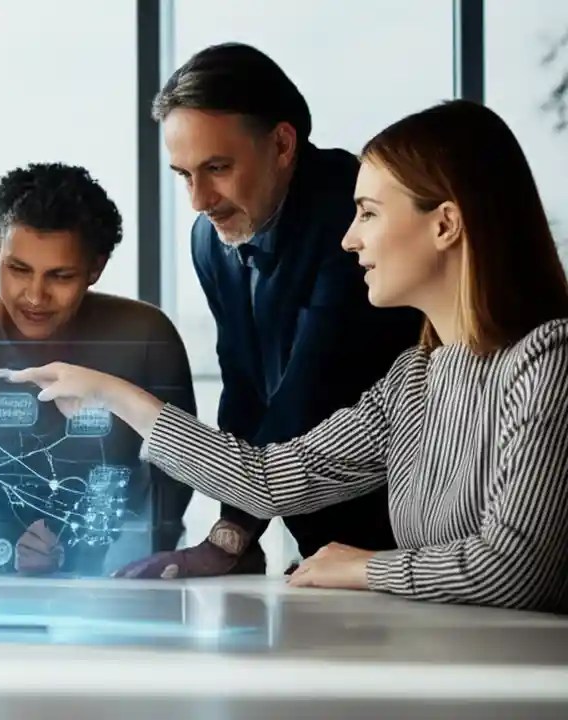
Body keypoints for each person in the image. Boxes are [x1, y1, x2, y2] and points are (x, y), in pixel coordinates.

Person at [2, 99, 568, 614]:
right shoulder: (415, 379)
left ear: (445, 224)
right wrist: (113, 394)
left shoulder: (549, 359)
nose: (349, 240)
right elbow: (270, 478)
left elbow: (516, 567)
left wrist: (363, 567)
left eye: (368, 213)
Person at [119, 43, 420, 579]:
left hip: (406, 539)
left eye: (217, 168)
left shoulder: (352, 218)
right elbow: (244, 386)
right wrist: (236, 538)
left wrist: (228, 537)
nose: (199, 200)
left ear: (283, 144)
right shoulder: (209, 242)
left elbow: (306, 392)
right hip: (318, 545)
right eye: (184, 174)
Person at [0, 163, 196, 576]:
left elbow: (180, 468)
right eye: (18, 269)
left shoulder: (147, 335)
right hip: (6, 571)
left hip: (131, 571)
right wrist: (10, 539)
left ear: (95, 269)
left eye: (60, 276)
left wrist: (127, 554)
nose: (34, 295)